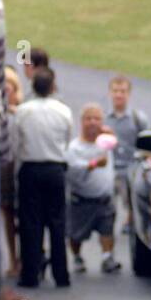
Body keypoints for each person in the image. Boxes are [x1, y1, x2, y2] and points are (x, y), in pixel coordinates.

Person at [11, 67, 74, 289]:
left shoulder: (23, 111)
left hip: (31, 168)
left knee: (31, 223)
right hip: (55, 168)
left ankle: (31, 273)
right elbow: (67, 140)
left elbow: (16, 143)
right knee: (57, 223)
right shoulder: (63, 111)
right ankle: (61, 274)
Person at [65, 104, 122, 274]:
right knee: (76, 234)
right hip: (82, 199)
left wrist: (113, 138)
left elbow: (120, 151)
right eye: (88, 119)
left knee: (107, 228)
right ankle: (77, 256)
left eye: (96, 119)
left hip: (104, 198)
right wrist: (93, 164)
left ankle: (107, 257)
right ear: (81, 122)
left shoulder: (105, 143)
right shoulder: (74, 147)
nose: (92, 123)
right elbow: (72, 171)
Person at [104, 75, 149, 232]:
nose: (119, 95)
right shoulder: (104, 119)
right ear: (110, 93)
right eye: (115, 91)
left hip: (130, 168)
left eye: (122, 91)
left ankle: (130, 221)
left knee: (129, 201)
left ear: (128, 94)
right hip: (110, 168)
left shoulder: (138, 119)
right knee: (108, 202)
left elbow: (147, 145)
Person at [0, 66, 24, 276]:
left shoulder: (25, 111)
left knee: (25, 214)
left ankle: (27, 257)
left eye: (10, 87)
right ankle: (13, 259)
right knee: (7, 212)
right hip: (5, 169)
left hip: (23, 167)